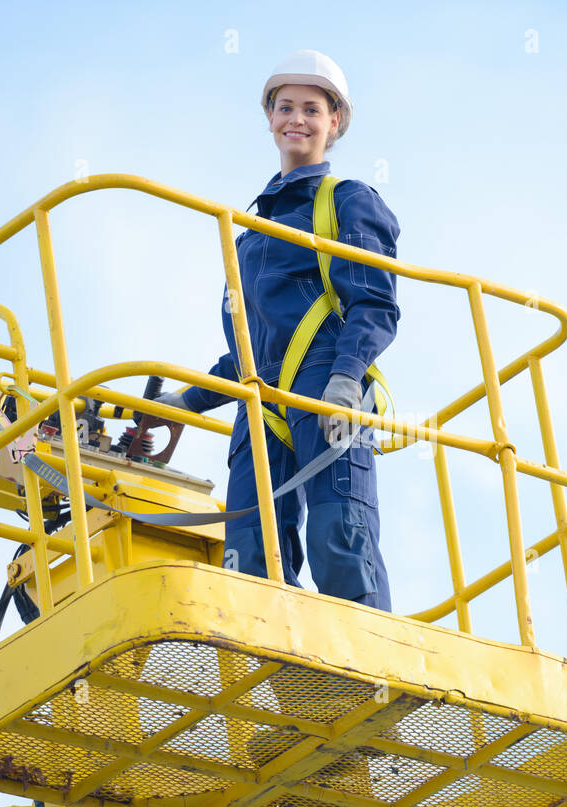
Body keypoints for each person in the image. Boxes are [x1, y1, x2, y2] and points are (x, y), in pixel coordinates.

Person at [159, 50, 400, 615]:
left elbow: (374, 303)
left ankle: (364, 667)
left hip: (324, 384)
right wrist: (184, 401)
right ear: (269, 118)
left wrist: (345, 379)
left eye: (311, 109)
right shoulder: (245, 234)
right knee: (247, 552)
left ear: (333, 122)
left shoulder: (347, 201)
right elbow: (244, 352)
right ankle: (280, 679)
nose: (297, 118)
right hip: (258, 400)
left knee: (339, 533)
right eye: (285, 107)